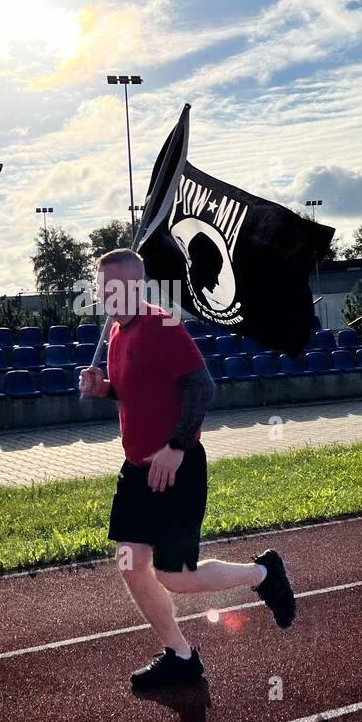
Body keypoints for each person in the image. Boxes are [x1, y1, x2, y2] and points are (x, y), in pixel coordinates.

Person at [80, 248, 296, 691]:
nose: (108, 295)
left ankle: (264, 574)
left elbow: (202, 386)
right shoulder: (120, 334)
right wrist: (105, 391)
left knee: (174, 576)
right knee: (130, 563)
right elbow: (137, 392)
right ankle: (180, 655)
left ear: (137, 285)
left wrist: (176, 446)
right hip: (137, 470)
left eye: (117, 286)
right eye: (103, 288)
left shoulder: (163, 325)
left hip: (176, 468)